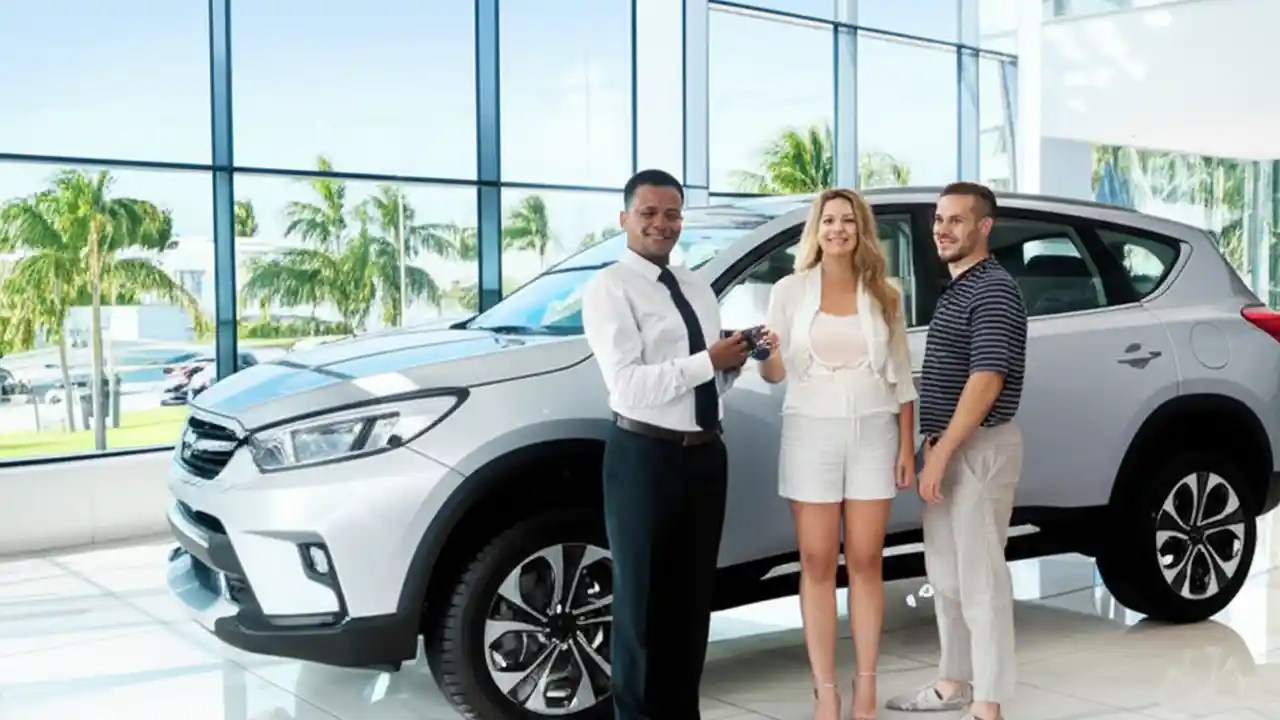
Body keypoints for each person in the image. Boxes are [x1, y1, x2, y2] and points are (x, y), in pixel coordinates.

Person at [581, 168, 757, 719]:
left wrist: (733, 362)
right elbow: (628, 383)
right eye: (649, 213)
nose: (662, 224)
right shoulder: (609, 287)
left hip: (706, 455)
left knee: (691, 604)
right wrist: (711, 360)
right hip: (645, 457)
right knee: (641, 609)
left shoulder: (695, 286)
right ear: (625, 219)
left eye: (672, 214)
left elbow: (706, 378)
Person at [758, 188, 917, 720]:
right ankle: (825, 690)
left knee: (868, 561)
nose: (838, 229)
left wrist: (906, 447)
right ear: (816, 229)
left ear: (861, 229)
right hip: (809, 433)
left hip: (873, 432)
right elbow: (775, 372)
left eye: (849, 220)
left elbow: (901, 376)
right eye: (829, 220)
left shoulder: (885, 293)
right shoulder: (789, 290)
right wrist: (766, 354)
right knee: (817, 561)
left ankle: (865, 685)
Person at [885, 182, 1028, 720]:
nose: (942, 229)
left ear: (984, 227)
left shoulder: (992, 289)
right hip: (948, 447)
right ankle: (953, 683)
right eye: (939, 220)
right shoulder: (961, 289)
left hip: (977, 450)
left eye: (956, 220)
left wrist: (941, 455)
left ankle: (987, 704)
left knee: (981, 580)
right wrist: (931, 446)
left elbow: (987, 379)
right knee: (946, 576)